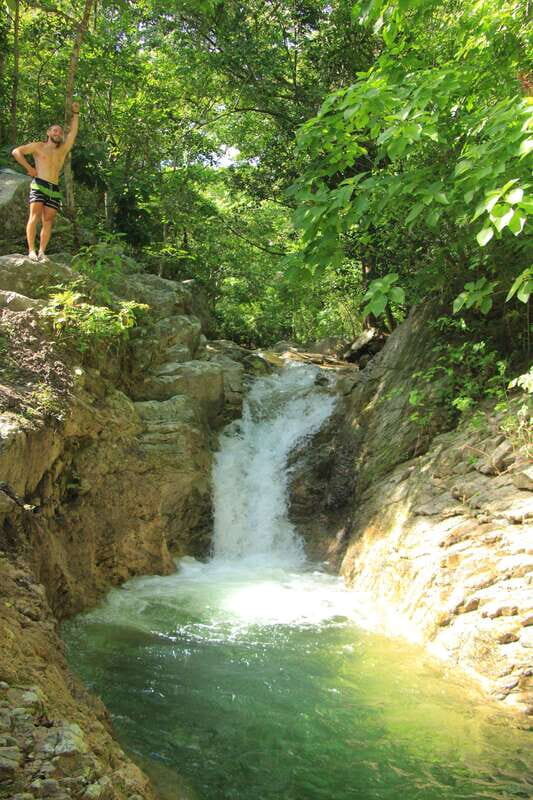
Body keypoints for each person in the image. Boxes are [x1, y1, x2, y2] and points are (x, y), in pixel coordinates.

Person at [11, 101, 80, 262]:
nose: (58, 133)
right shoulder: (38, 146)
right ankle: (31, 251)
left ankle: (42, 252)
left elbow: (73, 133)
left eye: (60, 131)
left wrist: (75, 114)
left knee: (48, 220)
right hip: (39, 184)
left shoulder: (62, 150)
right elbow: (16, 152)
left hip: (54, 188)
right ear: (48, 132)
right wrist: (30, 168)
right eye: (55, 130)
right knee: (34, 217)